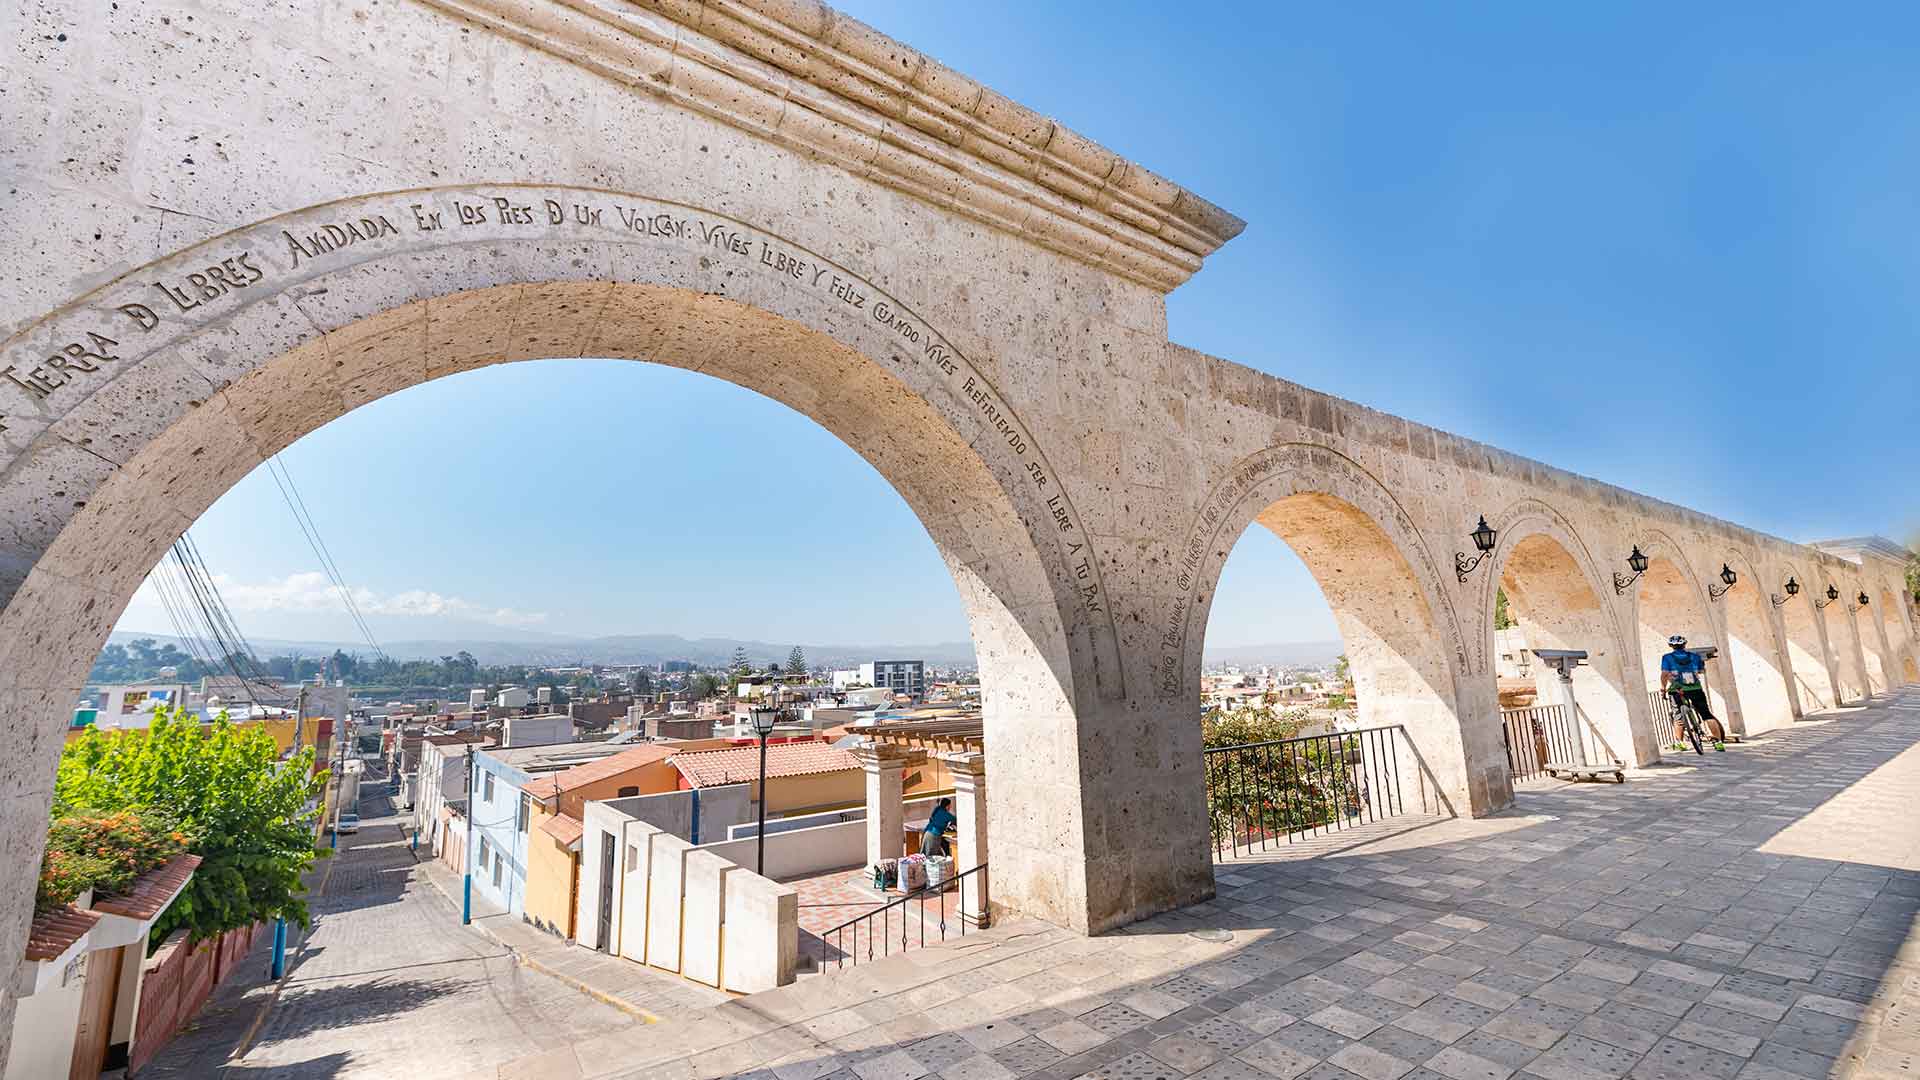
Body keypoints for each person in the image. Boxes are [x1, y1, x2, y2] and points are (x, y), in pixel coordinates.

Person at [1660, 635, 1727, 748]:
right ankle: (1719, 743)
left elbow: (1664, 674)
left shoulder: (1667, 657)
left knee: (1678, 716)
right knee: (1706, 714)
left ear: (1671, 646)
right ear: (1684, 645)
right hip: (1695, 688)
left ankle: (1680, 744)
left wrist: (1663, 688)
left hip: (1677, 690)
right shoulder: (1695, 656)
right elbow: (1700, 670)